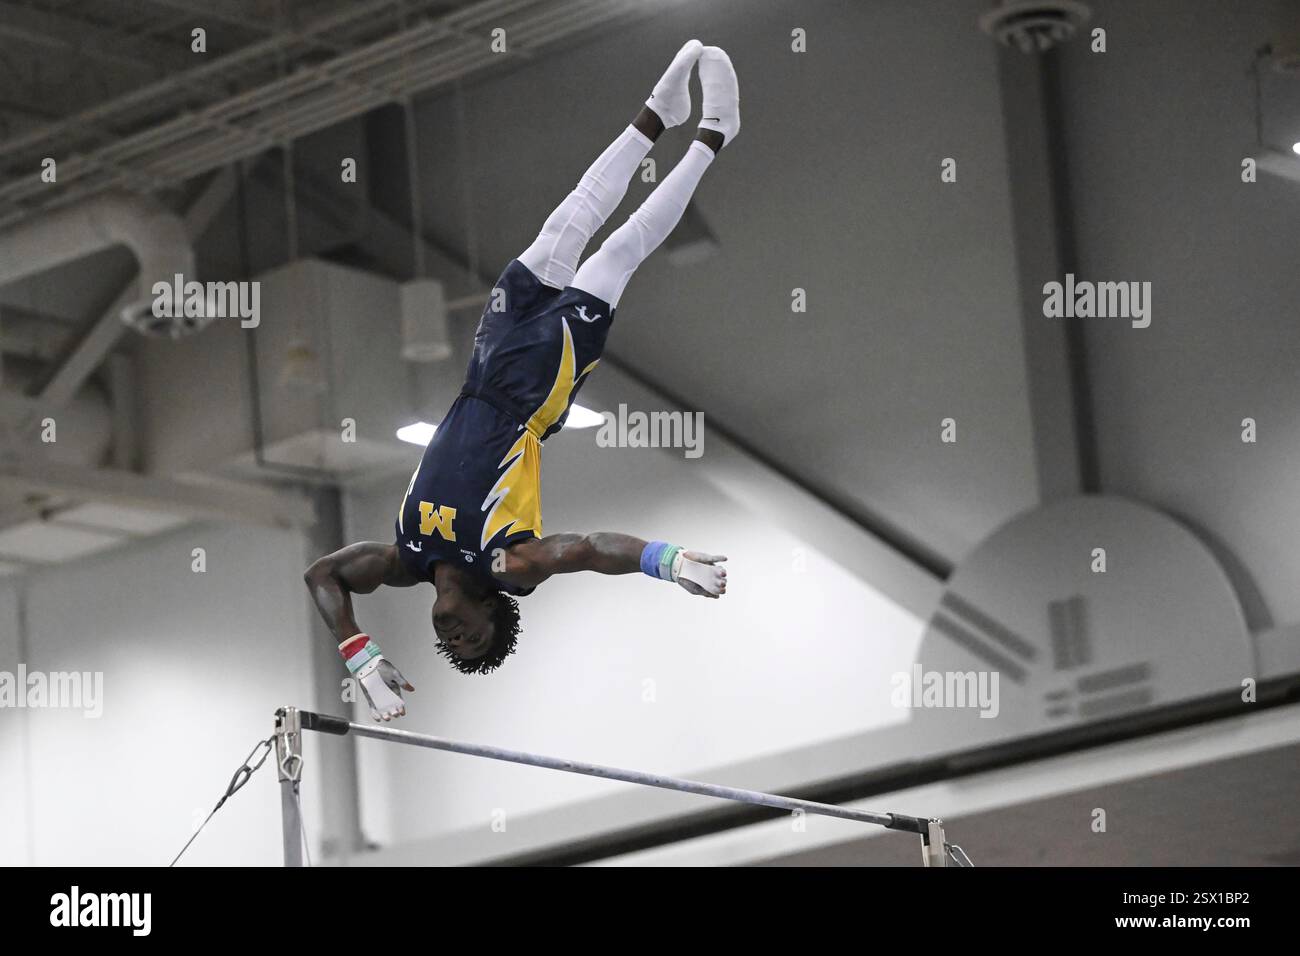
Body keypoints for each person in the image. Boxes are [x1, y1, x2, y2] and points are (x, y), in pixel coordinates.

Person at [305, 41, 740, 720]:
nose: (452, 636)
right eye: (473, 638)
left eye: (451, 645)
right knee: (618, 248)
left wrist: (357, 653)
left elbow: (322, 574)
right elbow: (591, 550)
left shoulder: (407, 559)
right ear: (492, 610)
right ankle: (711, 135)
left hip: (485, 361)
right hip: (537, 387)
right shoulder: (510, 565)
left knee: (567, 219)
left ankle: (660, 112)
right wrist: (667, 559)